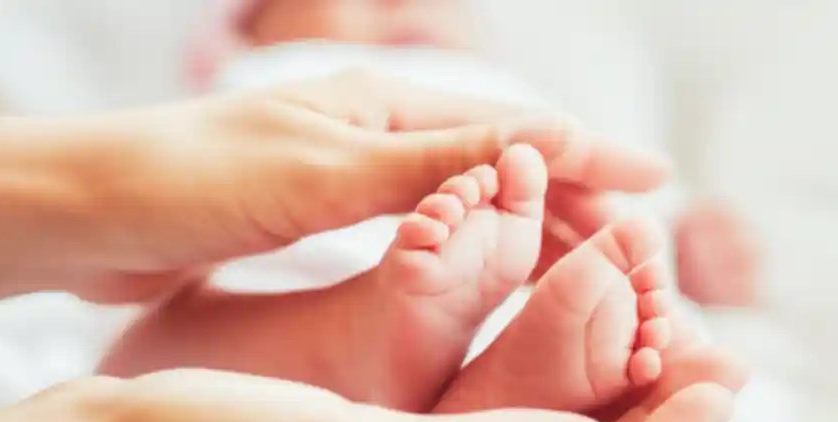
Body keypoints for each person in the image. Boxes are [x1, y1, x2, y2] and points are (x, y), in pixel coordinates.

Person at [0, 71, 744, 422]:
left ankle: (397, 357)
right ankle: (376, 350)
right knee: (169, 343)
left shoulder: (525, 76)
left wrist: (698, 239)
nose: (405, 9)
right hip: (292, 232)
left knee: (164, 355)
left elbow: (661, 209)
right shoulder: (243, 82)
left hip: (473, 229)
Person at [187, 0, 764, 309]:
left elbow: (587, 167)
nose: (404, 5)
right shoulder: (264, 79)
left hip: (510, 288)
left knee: (585, 232)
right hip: (306, 283)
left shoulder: (489, 86)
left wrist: (675, 231)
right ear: (251, 28)